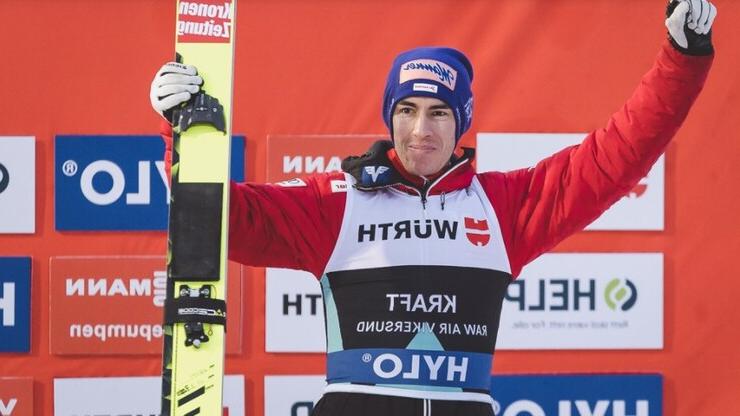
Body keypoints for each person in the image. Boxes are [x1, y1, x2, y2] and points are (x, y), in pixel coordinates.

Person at [149, 1, 717, 415]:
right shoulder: (337, 202)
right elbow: (223, 222)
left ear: (461, 122)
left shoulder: (504, 206)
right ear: (390, 116)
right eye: (408, 110)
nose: (420, 130)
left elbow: (618, 156)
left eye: (439, 113)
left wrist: (682, 58)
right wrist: (185, 133)